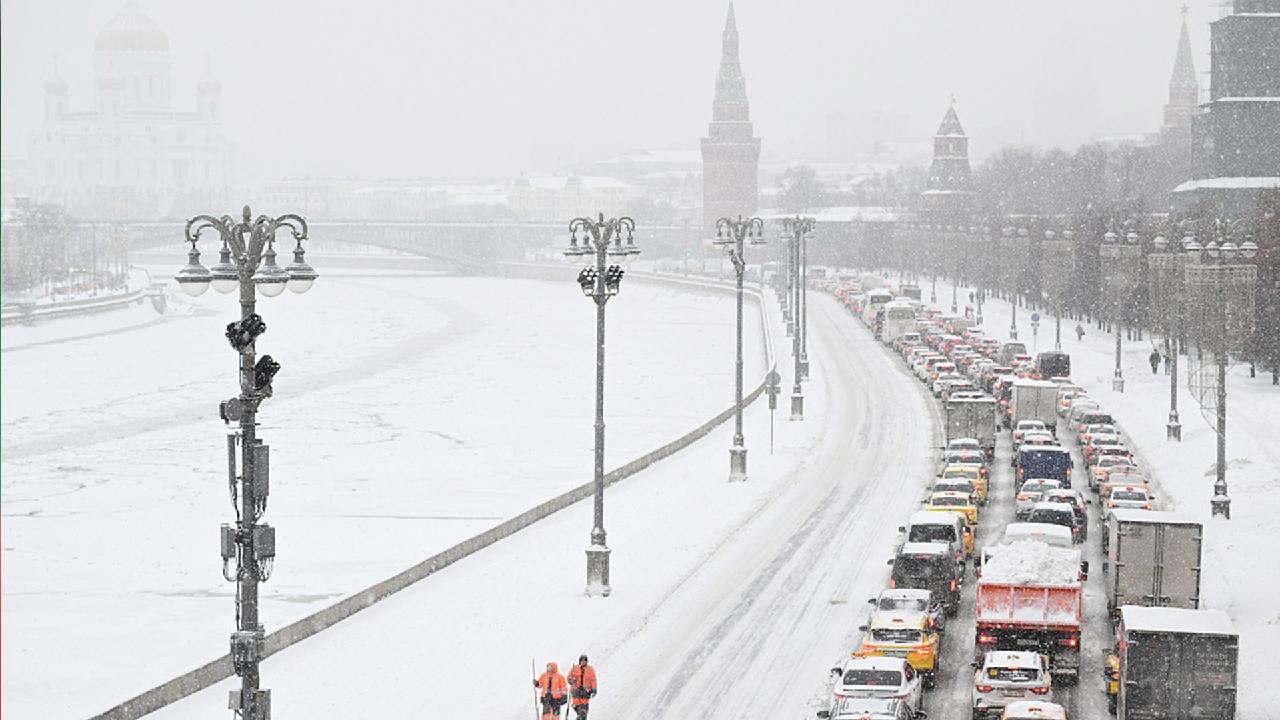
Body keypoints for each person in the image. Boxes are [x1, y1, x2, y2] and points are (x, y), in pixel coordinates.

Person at [566, 654, 598, 719]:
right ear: (579, 661)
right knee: (576, 707)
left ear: (587, 661)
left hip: (585, 692)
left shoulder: (590, 670)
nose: (583, 662)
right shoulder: (575, 668)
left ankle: (581, 716)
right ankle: (580, 716)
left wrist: (594, 689)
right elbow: (569, 677)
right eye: (581, 660)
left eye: (584, 661)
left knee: (583, 710)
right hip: (576, 692)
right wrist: (571, 680)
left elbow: (593, 680)